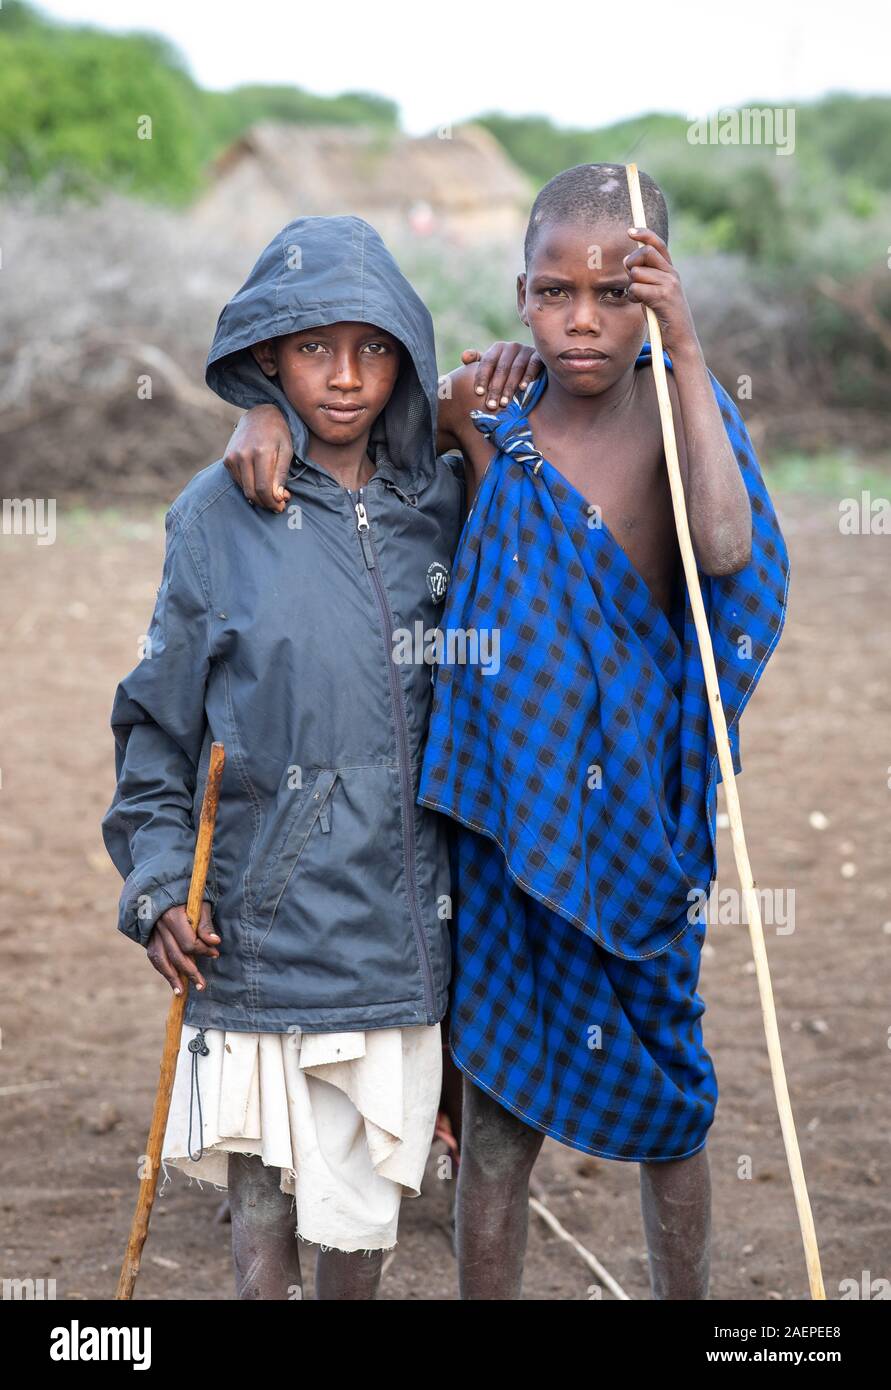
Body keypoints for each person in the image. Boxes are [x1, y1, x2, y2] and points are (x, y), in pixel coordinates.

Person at [220, 165, 790, 1300]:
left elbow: (724, 549)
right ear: (519, 291)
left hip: (637, 825)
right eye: (555, 291)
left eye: (620, 294)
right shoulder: (489, 412)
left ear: (658, 294)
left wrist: (683, 344)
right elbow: (353, 416)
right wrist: (261, 411)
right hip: (510, 830)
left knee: (672, 1107)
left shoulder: (683, 415)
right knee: (497, 1131)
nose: (585, 320)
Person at [102, 213, 536, 1300]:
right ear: (266, 357)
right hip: (247, 935)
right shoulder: (213, 516)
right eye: (309, 349)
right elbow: (156, 726)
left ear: (405, 357)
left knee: (362, 1224)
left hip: (397, 943)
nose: (344, 379)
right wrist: (158, 884)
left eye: (374, 348)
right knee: (259, 1221)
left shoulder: (443, 504)